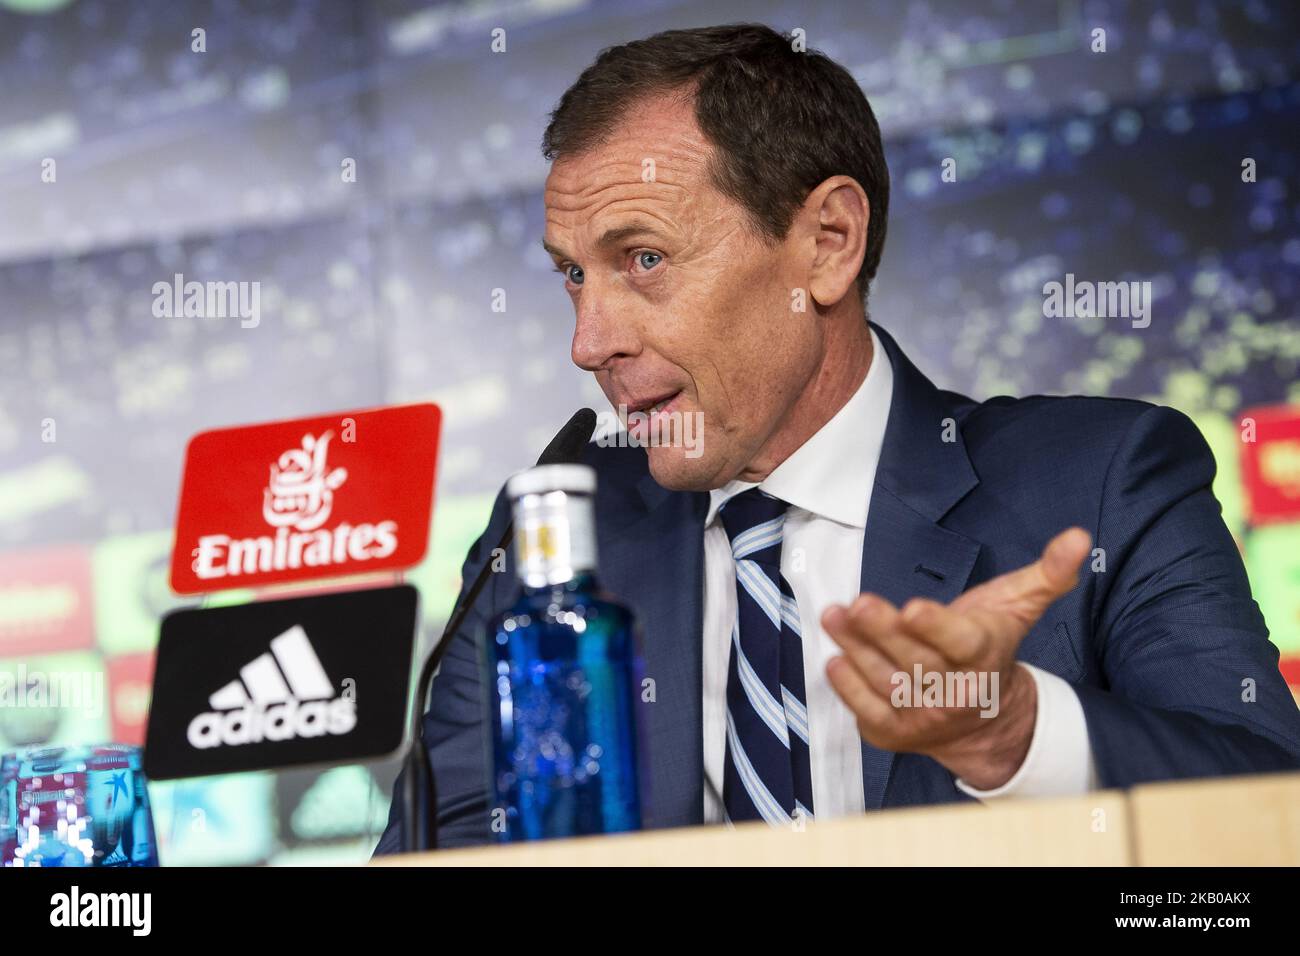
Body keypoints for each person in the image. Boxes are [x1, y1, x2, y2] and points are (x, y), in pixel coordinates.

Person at [375, 23, 1299, 852]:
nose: (589, 342)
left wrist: (1014, 732)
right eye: (574, 275)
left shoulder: (1103, 479)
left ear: (827, 242)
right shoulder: (550, 543)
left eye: (643, 258)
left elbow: (1270, 803)